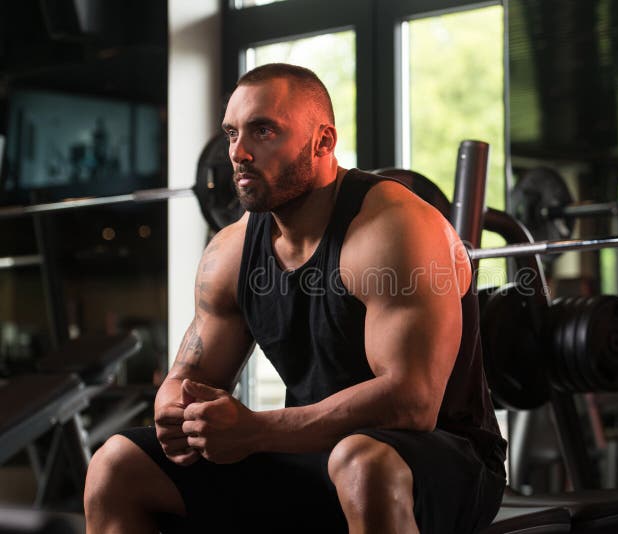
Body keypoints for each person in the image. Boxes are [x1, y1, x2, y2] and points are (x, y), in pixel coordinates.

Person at [84, 63, 506, 533]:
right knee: (116, 463)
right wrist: (174, 407)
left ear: (323, 142)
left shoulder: (394, 229)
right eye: (231, 133)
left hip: (444, 460)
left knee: (361, 461)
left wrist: (256, 430)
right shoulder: (231, 250)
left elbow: (412, 404)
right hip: (308, 456)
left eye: (263, 131)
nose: (239, 153)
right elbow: (191, 374)